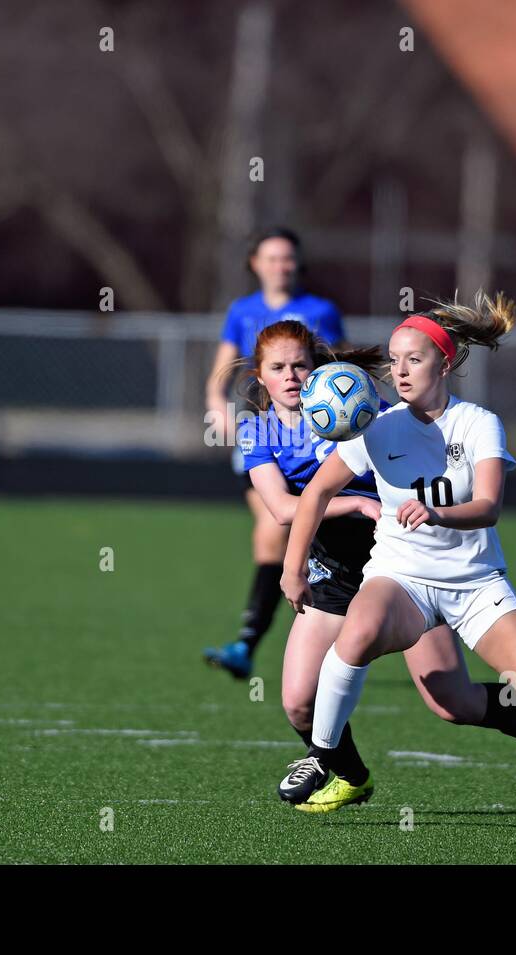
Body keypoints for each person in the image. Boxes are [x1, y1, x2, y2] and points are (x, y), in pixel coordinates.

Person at [280, 293, 516, 834]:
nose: (400, 370)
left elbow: (488, 507)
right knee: (359, 631)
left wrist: (436, 513)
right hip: (402, 579)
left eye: (413, 358)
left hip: (475, 585)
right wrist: (292, 569)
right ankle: (324, 756)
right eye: (394, 359)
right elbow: (315, 495)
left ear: (447, 361)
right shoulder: (379, 428)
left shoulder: (479, 423)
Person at [232, 319, 516, 813]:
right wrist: (353, 507)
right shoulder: (259, 429)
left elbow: (434, 463)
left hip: (406, 569)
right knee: (298, 700)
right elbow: (281, 508)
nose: (292, 376)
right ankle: (352, 777)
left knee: (453, 703)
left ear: (318, 368)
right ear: (260, 376)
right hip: (336, 576)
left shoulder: (367, 411)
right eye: (278, 368)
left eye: (301, 364)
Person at [202, 227, 344, 679]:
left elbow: (342, 372)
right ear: (254, 263)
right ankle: (250, 642)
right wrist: (218, 411)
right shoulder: (242, 311)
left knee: (297, 533)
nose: (280, 266)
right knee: (272, 528)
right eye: (271, 258)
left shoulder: (321, 310)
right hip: (265, 436)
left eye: (287, 258)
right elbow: (219, 376)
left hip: (313, 434)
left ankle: (304, 629)